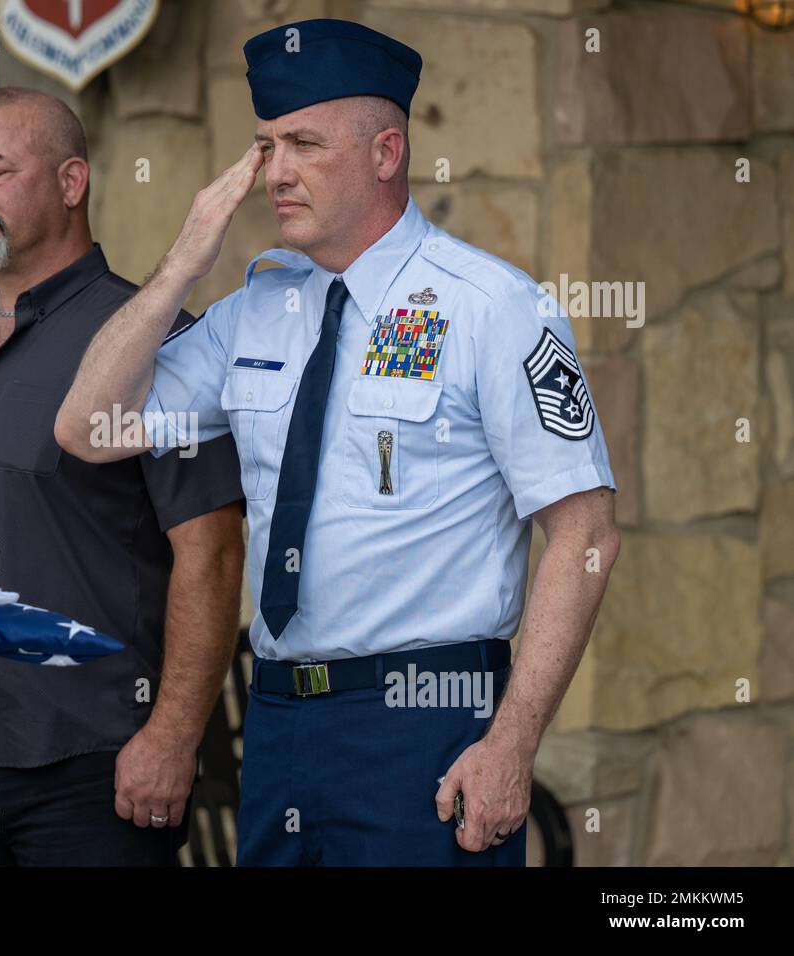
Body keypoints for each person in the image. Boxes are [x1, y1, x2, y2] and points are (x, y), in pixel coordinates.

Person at [55, 19, 620, 866]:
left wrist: (512, 744)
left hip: (429, 726)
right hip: (281, 726)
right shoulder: (257, 309)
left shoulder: (491, 306)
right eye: (265, 146)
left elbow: (586, 534)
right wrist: (180, 266)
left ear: (386, 152)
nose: (274, 173)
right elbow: (88, 429)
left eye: (303, 145)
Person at [0, 87, 246, 866]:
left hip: (97, 766)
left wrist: (175, 735)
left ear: (71, 182)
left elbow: (212, 551)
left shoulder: (157, 345)